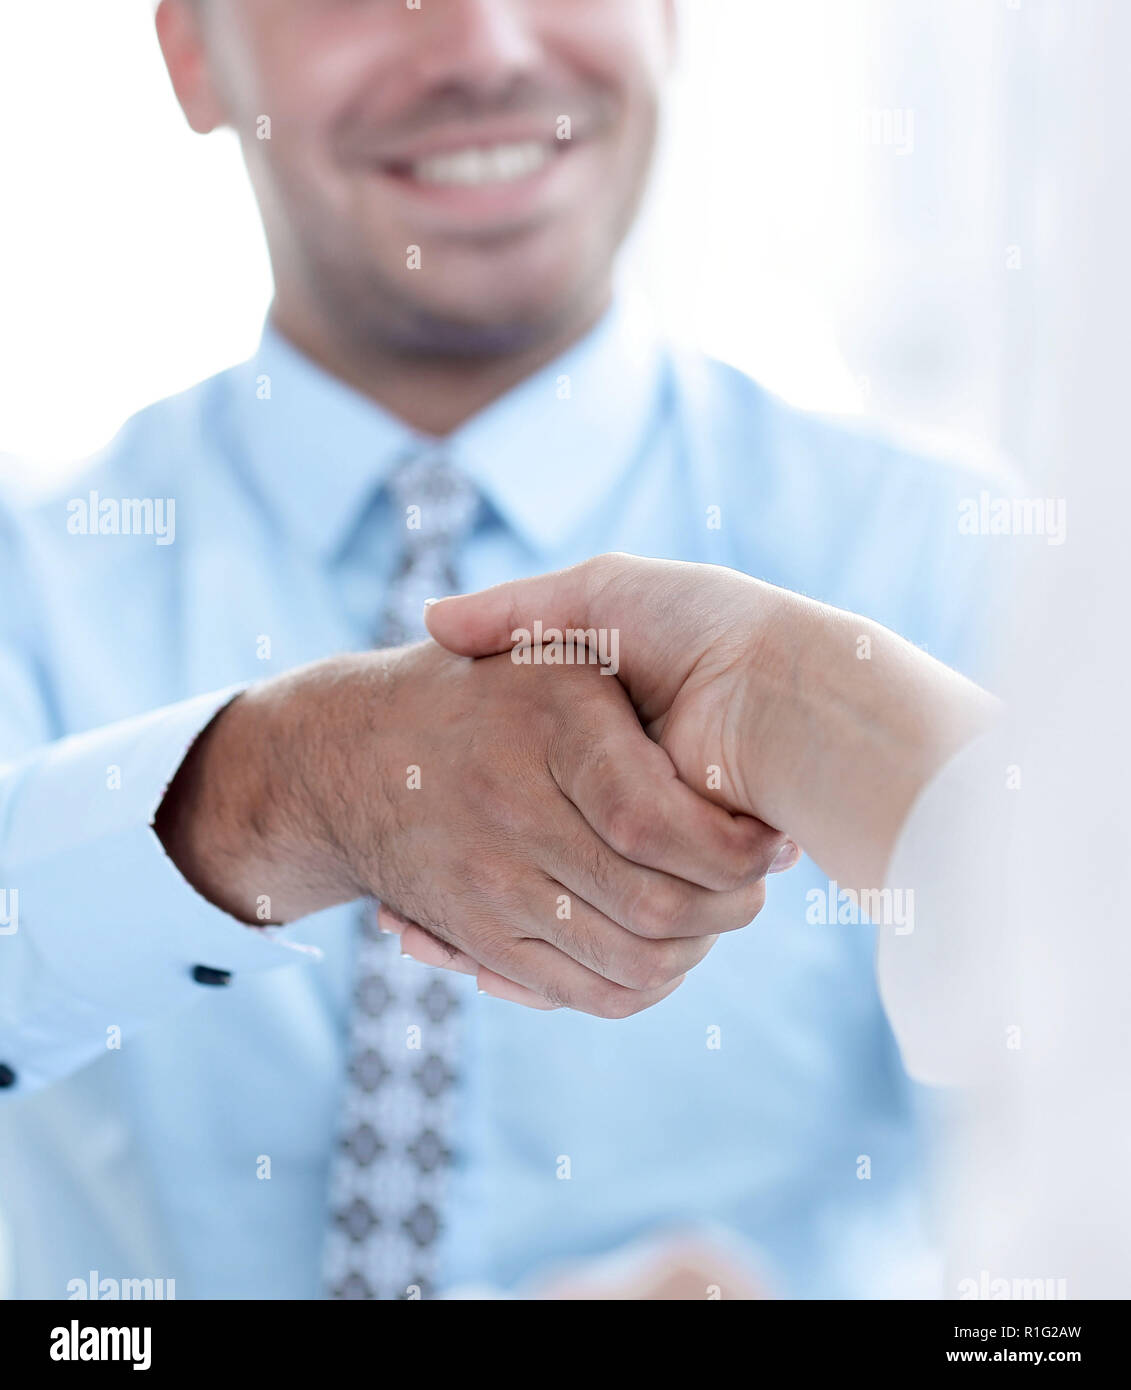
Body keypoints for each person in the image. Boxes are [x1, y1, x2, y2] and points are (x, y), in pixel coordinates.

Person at [0, 0, 997, 1299]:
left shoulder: (965, 560)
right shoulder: (28, 583)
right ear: (192, 50)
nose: (481, 45)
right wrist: (276, 786)